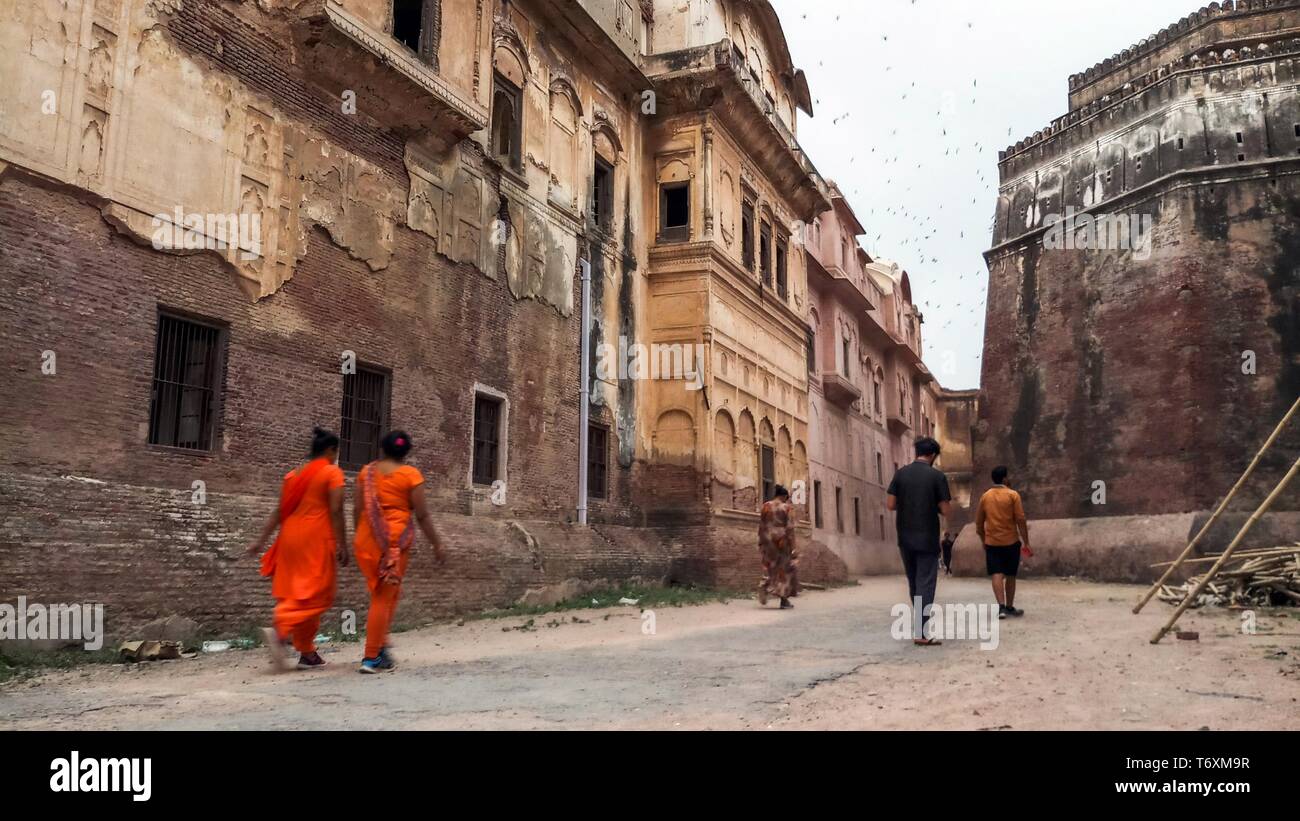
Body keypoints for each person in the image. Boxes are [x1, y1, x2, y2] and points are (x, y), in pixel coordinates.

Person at [247, 427, 348, 671]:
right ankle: (281, 628)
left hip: (290, 539)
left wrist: (261, 540)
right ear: (330, 450)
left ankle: (307, 651)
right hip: (315, 539)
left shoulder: (292, 475)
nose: (336, 457)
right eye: (336, 452)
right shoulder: (331, 473)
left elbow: (279, 512)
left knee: (299, 592)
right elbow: (336, 511)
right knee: (319, 593)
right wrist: (343, 543)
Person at [353, 430, 447, 673]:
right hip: (393, 544)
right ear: (406, 453)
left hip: (367, 539)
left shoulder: (367, 473)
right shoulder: (411, 475)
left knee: (386, 594)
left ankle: (381, 646)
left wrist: (360, 537)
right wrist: (436, 543)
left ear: (382, 449)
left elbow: (358, 509)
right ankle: (371, 656)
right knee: (383, 598)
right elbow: (422, 515)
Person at [886, 437, 952, 646]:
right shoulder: (937, 476)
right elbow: (945, 509)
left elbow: (890, 504)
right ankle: (922, 632)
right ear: (932, 455)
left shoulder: (901, 474)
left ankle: (919, 626)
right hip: (927, 538)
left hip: (905, 537)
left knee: (914, 582)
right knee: (926, 583)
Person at [974, 465, 1031, 619]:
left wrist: (983, 539)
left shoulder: (985, 496)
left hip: (992, 543)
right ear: (1005, 478)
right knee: (1011, 574)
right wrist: (1026, 542)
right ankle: (1010, 606)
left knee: (996, 573)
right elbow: (1020, 519)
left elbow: (979, 523)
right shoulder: (1013, 495)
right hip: (1011, 541)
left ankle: (1001, 607)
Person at [757, 485, 799, 609]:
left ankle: (764, 585)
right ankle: (784, 600)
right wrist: (793, 548)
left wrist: (761, 541)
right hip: (781, 542)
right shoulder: (786, 508)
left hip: (767, 540)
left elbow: (762, 524)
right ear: (784, 496)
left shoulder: (766, 506)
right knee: (784, 571)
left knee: (769, 566)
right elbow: (790, 529)